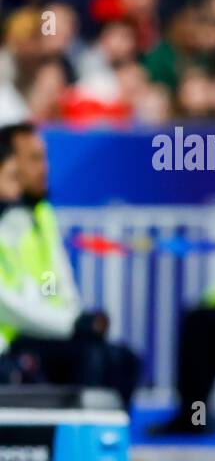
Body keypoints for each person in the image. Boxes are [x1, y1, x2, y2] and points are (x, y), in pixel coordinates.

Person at [0, 122, 140, 410]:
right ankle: (80, 444)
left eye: (45, 158)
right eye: (33, 160)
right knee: (90, 355)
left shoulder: (37, 215)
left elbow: (52, 283)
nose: (44, 168)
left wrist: (76, 320)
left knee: (120, 358)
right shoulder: (11, 221)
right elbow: (10, 304)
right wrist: (71, 325)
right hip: (13, 338)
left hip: (43, 328)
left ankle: (104, 445)